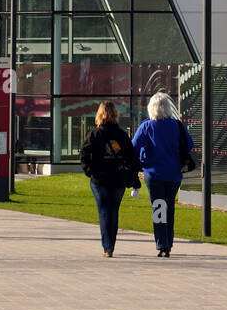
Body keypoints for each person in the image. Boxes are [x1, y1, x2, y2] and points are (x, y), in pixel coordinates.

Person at [132, 91, 194, 258]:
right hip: (174, 174)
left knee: (159, 207)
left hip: (154, 174)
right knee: (170, 207)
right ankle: (169, 241)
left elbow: (134, 147)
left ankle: (162, 244)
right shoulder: (177, 126)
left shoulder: (147, 126)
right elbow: (189, 145)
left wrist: (141, 161)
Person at [80, 101, 141, 257]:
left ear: (99, 115)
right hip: (118, 180)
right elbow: (131, 158)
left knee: (104, 211)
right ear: (115, 115)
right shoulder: (122, 135)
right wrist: (132, 178)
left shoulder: (94, 134)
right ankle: (110, 245)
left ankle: (108, 247)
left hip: (99, 180)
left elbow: (84, 155)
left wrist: (90, 172)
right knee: (113, 211)